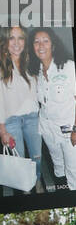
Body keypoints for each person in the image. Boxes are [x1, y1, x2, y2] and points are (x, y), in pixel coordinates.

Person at [31, 27, 76, 191]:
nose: (41, 46)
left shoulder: (68, 67)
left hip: (69, 131)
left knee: (73, 172)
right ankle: (62, 193)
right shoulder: (36, 71)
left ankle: (75, 200)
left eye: (45, 41)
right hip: (47, 130)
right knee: (58, 167)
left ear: (53, 45)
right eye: (36, 42)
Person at [0, 24, 42, 193]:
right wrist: (2, 131)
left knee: (37, 158)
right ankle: (24, 191)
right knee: (19, 162)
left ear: (25, 41)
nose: (16, 43)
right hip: (11, 122)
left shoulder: (31, 61)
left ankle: (37, 182)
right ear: (5, 41)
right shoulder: (1, 66)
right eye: (11, 38)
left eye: (20, 38)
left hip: (33, 119)